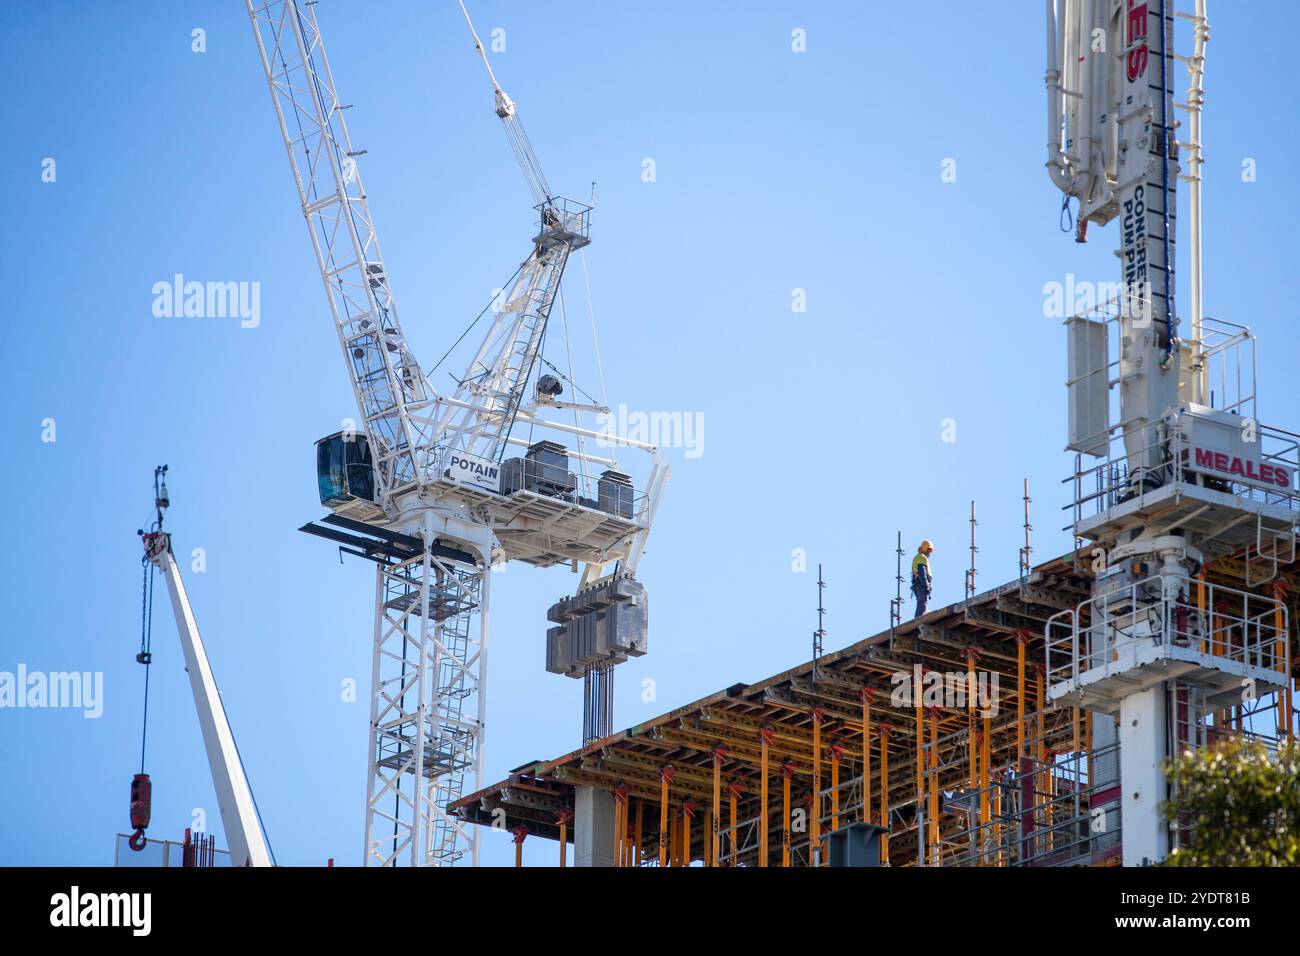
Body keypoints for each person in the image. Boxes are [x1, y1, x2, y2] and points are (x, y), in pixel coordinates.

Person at [911, 540, 935, 617]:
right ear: (926, 550)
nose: (930, 553)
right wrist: (926, 585)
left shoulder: (917, 557)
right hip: (921, 584)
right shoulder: (922, 557)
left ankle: (921, 615)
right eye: (929, 550)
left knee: (921, 603)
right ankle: (918, 620)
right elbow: (922, 571)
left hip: (917, 584)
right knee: (922, 603)